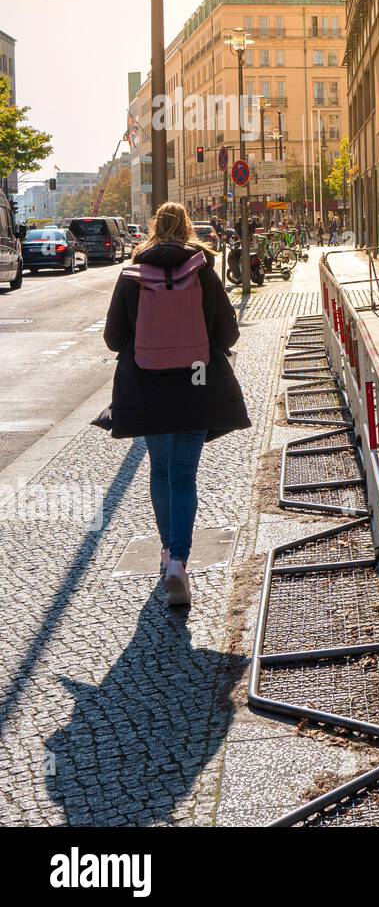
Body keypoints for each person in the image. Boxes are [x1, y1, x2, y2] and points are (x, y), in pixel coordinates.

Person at [103, 202, 250, 607]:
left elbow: (114, 339)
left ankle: (167, 552)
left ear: (153, 228)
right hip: (196, 383)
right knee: (184, 476)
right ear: (188, 228)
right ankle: (179, 562)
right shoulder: (202, 269)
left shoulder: (132, 274)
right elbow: (229, 333)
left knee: (160, 471)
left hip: (147, 389)